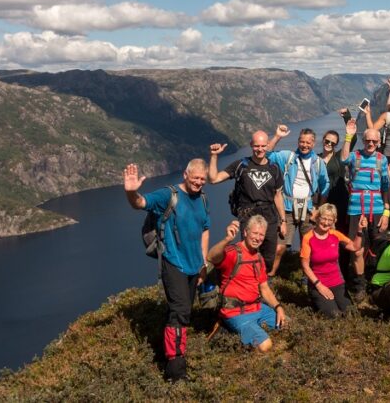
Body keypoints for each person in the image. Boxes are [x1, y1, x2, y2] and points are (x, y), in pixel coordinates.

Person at [123, 159, 210, 381]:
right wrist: (131, 192)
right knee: (181, 313)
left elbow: (205, 229)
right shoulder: (168, 195)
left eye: (202, 179)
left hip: (193, 266)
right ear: (185, 175)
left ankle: (167, 352)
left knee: (180, 312)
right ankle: (175, 370)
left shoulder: (202, 199)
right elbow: (140, 203)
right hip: (174, 263)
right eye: (195, 177)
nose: (199, 182)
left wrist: (203, 263)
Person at [207, 217, 287, 352]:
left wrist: (278, 307)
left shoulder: (258, 258)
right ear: (245, 233)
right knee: (266, 346)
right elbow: (211, 257)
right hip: (236, 312)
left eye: (261, 235)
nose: (258, 238)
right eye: (254, 233)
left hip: (257, 308)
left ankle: (249, 329)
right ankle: (226, 328)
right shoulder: (233, 252)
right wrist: (227, 240)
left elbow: (264, 288)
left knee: (286, 325)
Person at [208, 131, 284, 271]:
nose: (260, 149)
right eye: (256, 146)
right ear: (251, 145)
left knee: (269, 255)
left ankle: (262, 282)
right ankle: (249, 284)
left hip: (269, 215)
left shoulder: (274, 168)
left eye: (262, 146)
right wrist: (214, 156)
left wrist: (283, 221)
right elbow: (213, 179)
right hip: (248, 214)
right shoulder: (241, 165)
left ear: (268, 145)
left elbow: (278, 196)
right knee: (248, 253)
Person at [266, 126, 331, 276]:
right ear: (298, 141)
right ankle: (269, 276)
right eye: (302, 142)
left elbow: (325, 186)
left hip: (308, 210)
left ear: (313, 143)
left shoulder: (318, 163)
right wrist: (277, 136)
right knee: (279, 247)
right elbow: (267, 153)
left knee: (307, 246)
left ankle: (307, 277)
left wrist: (319, 209)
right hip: (287, 209)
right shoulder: (288, 157)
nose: (305, 145)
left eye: (308, 142)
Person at [340, 122, 390, 298]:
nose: (370, 144)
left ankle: (375, 281)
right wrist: (348, 137)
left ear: (378, 142)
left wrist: (386, 212)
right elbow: (343, 159)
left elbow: (386, 186)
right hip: (356, 208)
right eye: (368, 140)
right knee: (357, 248)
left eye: (374, 141)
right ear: (363, 140)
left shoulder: (381, 159)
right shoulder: (355, 156)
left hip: (376, 208)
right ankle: (359, 284)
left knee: (378, 245)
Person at [300, 204, 364, 317]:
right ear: (318, 217)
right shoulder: (308, 238)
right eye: (324, 218)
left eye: (330, 220)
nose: (326, 223)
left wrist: (359, 231)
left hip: (337, 283)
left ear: (334, 221)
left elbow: (354, 247)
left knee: (352, 315)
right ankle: (315, 303)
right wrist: (319, 286)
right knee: (335, 316)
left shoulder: (335, 234)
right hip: (318, 284)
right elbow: (305, 266)